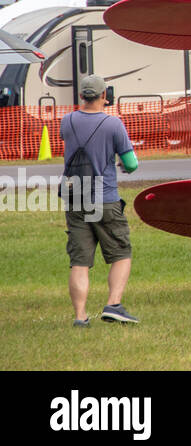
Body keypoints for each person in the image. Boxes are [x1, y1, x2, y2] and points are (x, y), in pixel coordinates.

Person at [61, 75, 139, 326]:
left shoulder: (67, 121)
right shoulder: (113, 125)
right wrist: (121, 165)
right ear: (105, 95)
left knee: (80, 261)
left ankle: (80, 316)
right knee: (120, 252)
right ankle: (113, 304)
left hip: (75, 199)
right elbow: (131, 164)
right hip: (104, 199)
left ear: (82, 95)